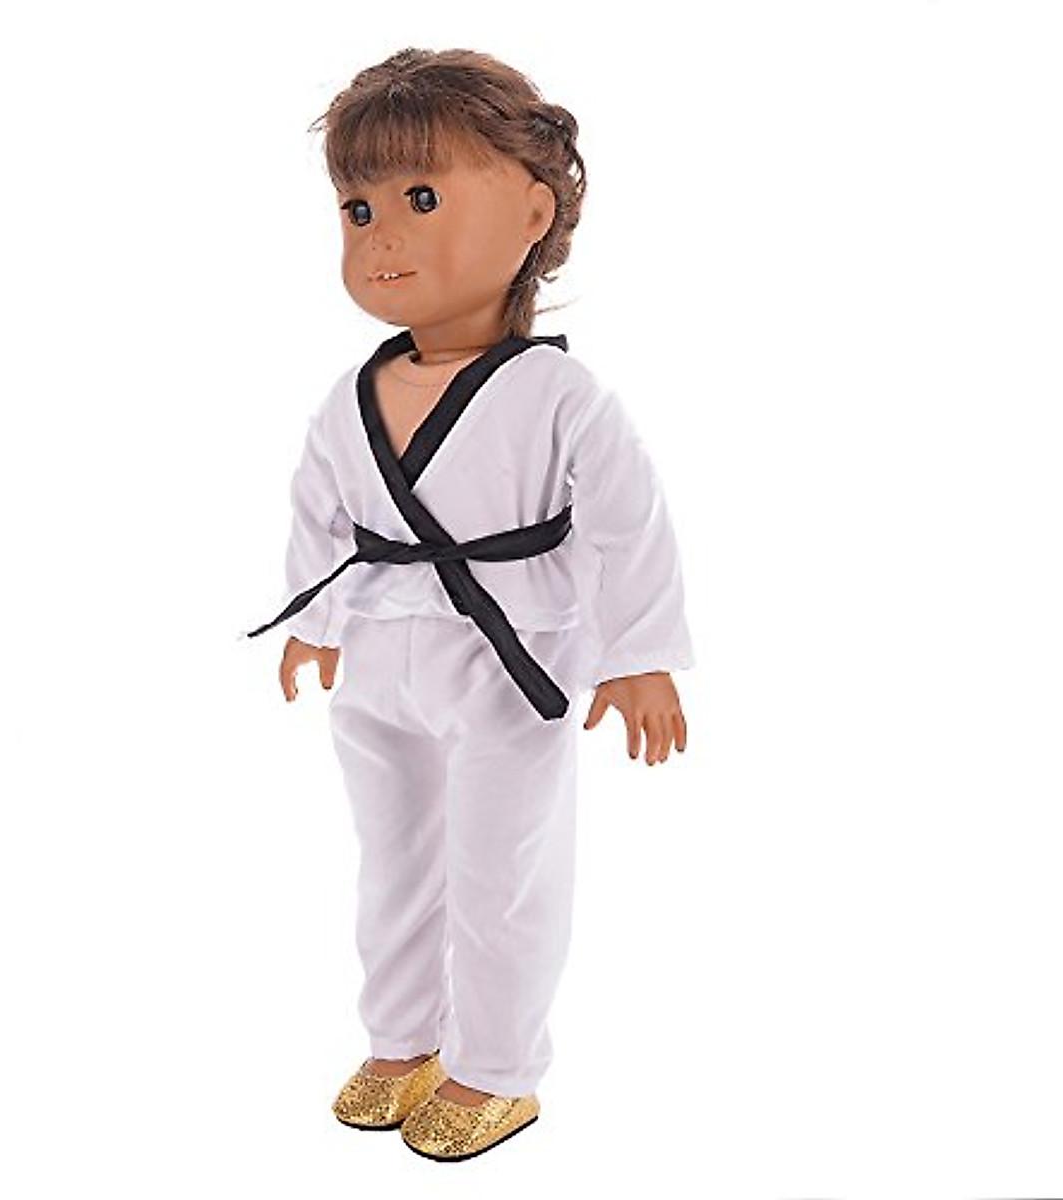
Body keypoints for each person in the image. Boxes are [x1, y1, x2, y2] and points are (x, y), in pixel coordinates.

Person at [246, 46, 695, 1162]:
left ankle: (497, 1068)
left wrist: (638, 654)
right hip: (380, 656)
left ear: (533, 214)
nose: (381, 237)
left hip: (509, 661)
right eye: (358, 210)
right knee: (393, 861)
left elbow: (629, 521)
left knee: (502, 872)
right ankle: (403, 1042)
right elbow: (320, 512)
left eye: (422, 198)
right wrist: (312, 622)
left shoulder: (558, 393)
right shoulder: (353, 396)